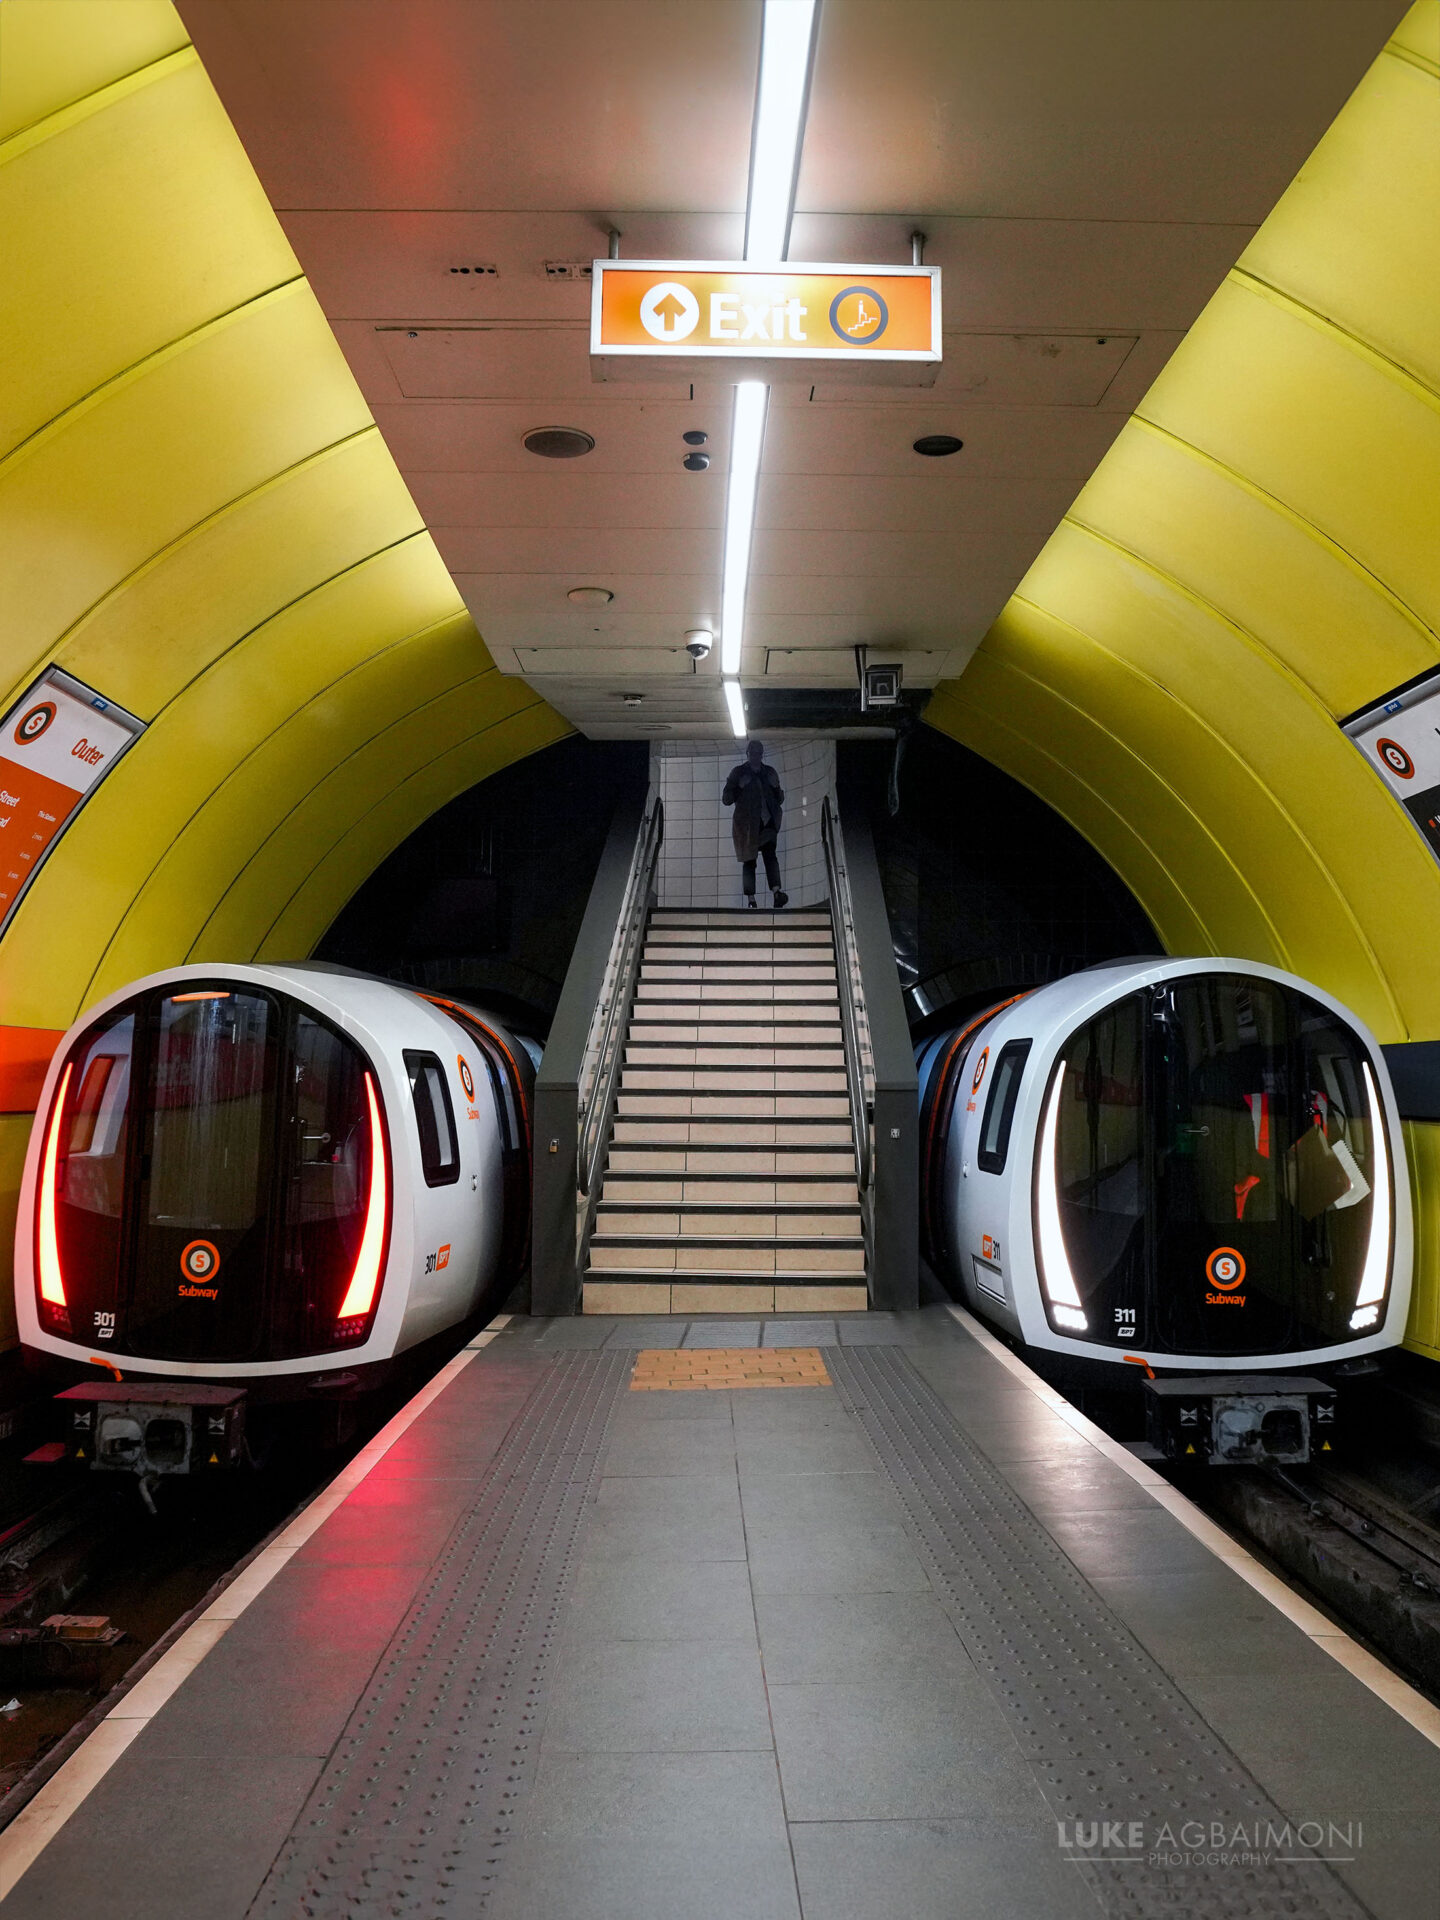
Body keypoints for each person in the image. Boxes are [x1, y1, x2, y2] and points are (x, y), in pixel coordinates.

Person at [722, 739, 789, 909]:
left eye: (758, 753)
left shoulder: (769, 773)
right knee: (749, 860)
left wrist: (775, 787)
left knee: (770, 855)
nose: (755, 757)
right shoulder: (738, 773)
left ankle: (776, 892)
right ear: (748, 754)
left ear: (761, 754)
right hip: (747, 826)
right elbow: (726, 799)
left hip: (767, 823)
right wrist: (739, 786)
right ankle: (751, 898)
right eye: (752, 753)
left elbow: (779, 799)